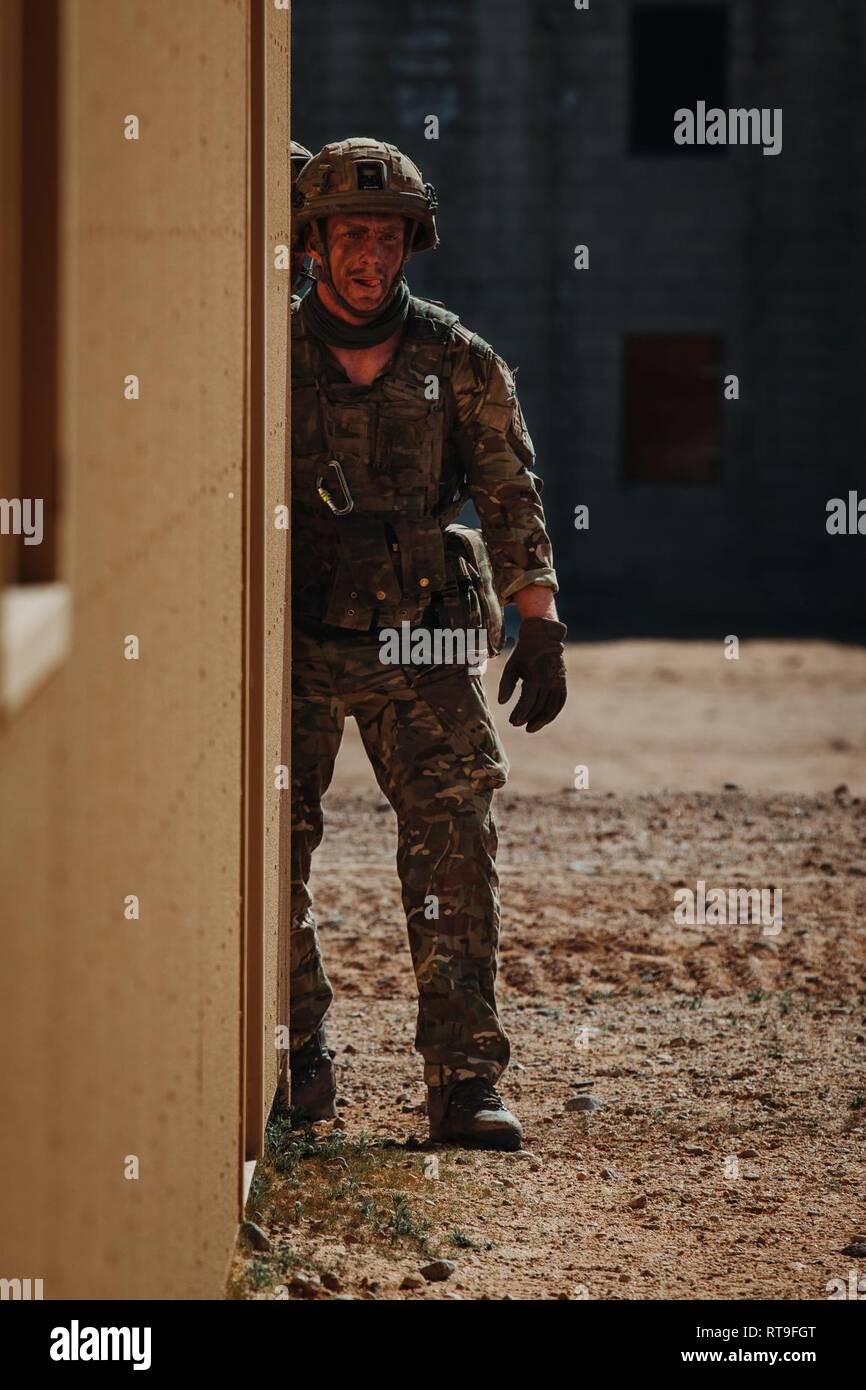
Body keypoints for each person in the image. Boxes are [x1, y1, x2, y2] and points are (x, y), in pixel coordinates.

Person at [289, 138, 567, 1149]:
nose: (370, 253)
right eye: (350, 233)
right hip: (297, 634)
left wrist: (536, 619)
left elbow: (507, 491)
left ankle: (462, 1081)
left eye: (387, 235)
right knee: (261, 843)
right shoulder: (262, 357)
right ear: (314, 243)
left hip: (425, 640)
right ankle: (295, 1054)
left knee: (454, 849)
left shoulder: (458, 361)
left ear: (412, 243)